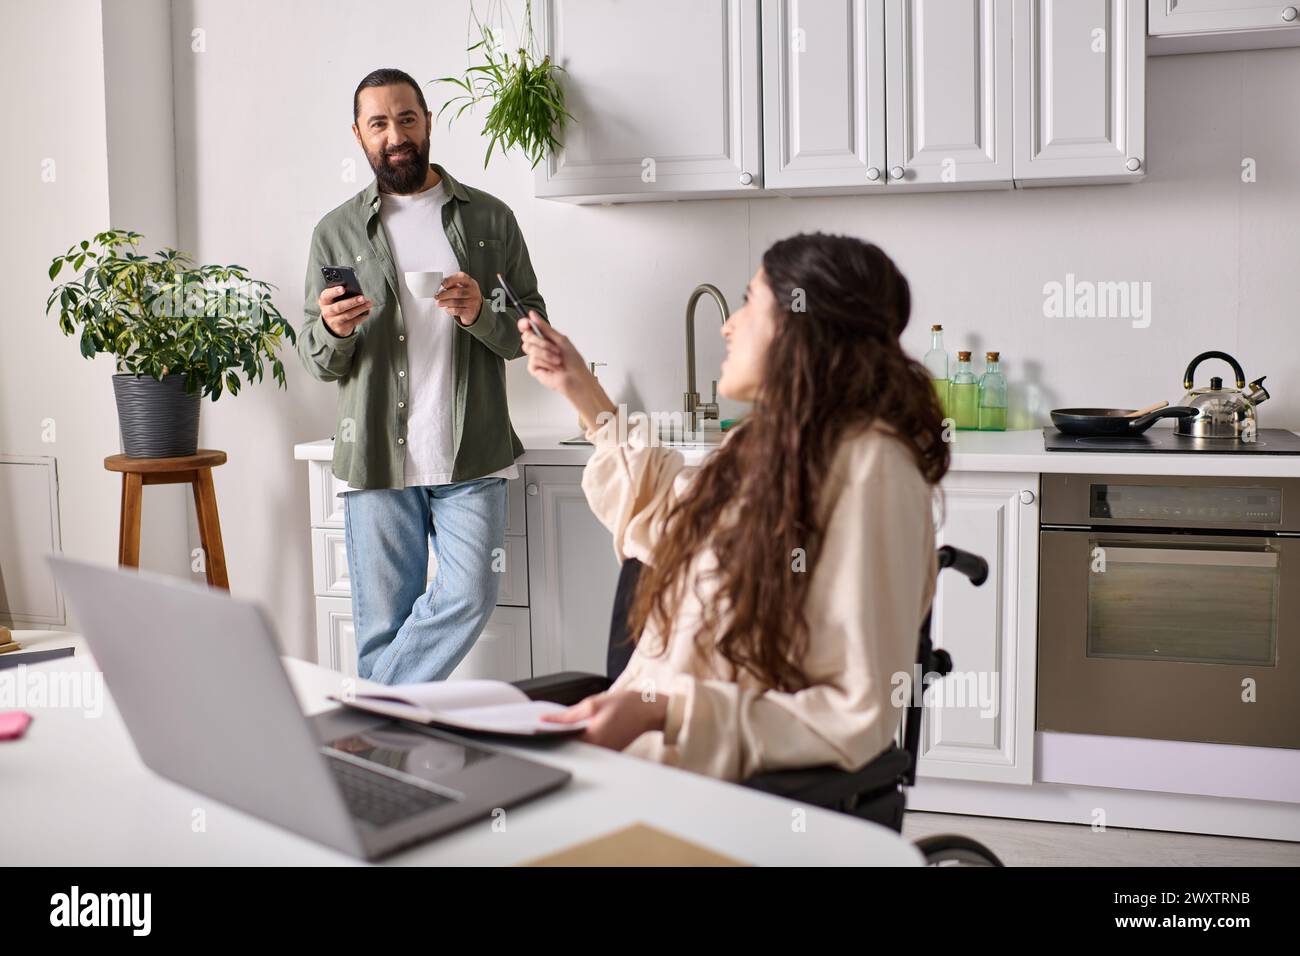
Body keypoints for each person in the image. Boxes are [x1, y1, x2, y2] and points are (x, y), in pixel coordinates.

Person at [519, 233, 948, 782]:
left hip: (702, 785)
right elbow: (663, 519)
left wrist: (661, 711)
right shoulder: (760, 446)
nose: (729, 324)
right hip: (631, 756)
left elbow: (855, 711)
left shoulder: (874, 471)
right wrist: (580, 389)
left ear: (801, 325)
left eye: (749, 302)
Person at [297, 68, 545, 683]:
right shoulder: (336, 232)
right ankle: (385, 765)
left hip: (473, 458)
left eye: (407, 118)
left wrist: (481, 313)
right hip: (378, 461)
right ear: (359, 134)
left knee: (467, 596)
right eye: (379, 123)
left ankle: (362, 713)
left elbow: (531, 333)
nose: (395, 134)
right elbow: (318, 359)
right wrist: (335, 330)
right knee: (381, 628)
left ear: (428, 122)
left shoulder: (490, 219)